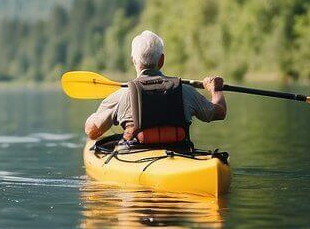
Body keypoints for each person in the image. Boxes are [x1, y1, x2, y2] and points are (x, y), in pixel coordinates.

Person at [84, 30, 226, 149]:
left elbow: (93, 132)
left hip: (135, 158)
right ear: (161, 60)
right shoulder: (184, 90)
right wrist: (216, 90)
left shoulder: (122, 95)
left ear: (133, 61)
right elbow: (219, 113)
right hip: (179, 154)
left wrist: (93, 117)